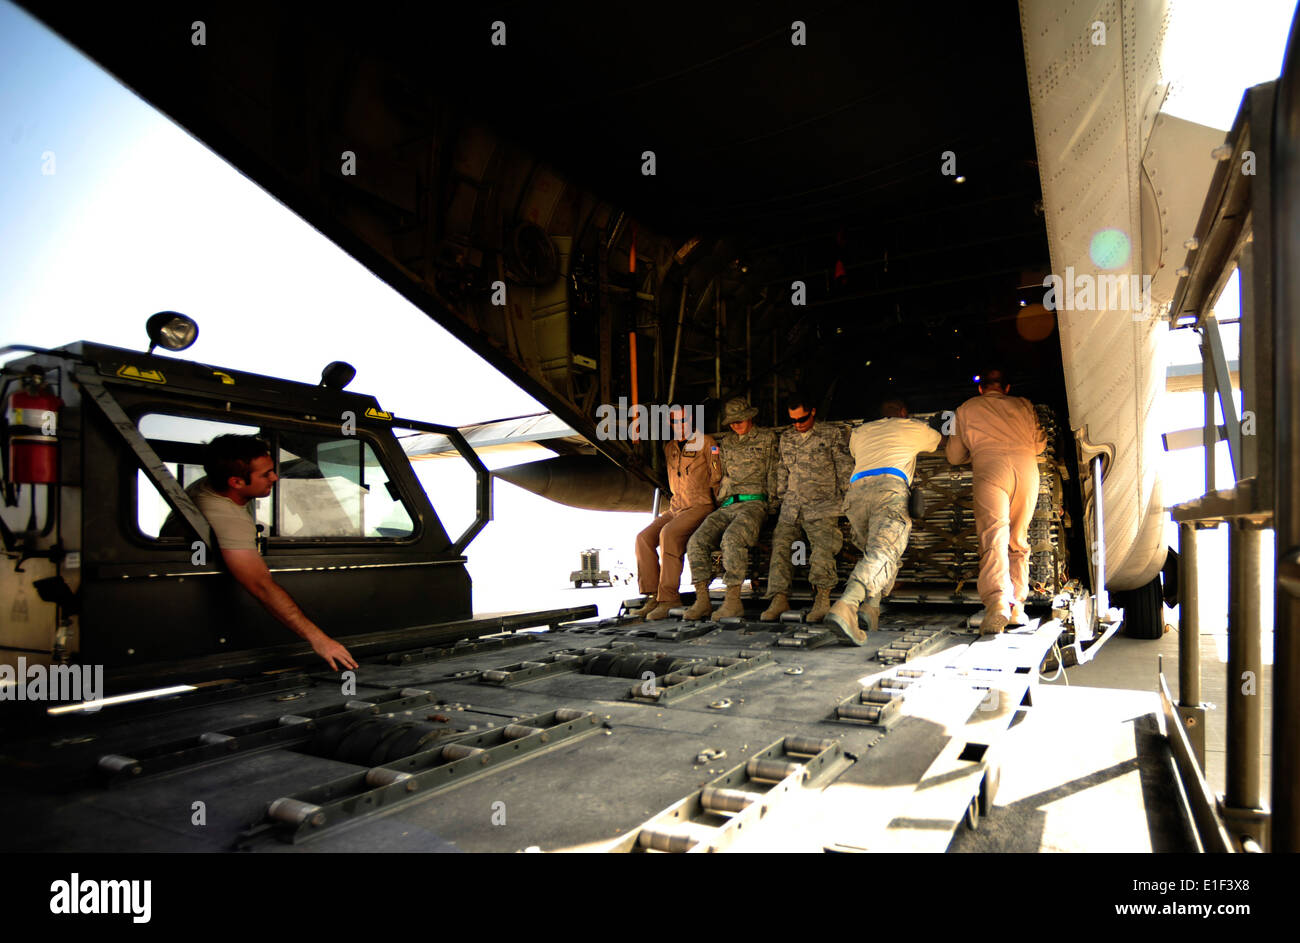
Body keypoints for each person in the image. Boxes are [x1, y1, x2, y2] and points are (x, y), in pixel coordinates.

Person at [163, 435, 358, 669]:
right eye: (266, 474)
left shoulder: (214, 484)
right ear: (236, 482)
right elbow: (260, 585)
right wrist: (320, 640)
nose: (275, 477)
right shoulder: (225, 518)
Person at [824, 398, 941, 645]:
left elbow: (858, 455)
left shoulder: (861, 432)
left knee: (875, 552)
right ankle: (847, 605)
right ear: (903, 412)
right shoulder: (911, 426)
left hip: (856, 494)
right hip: (889, 488)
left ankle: (871, 608)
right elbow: (939, 444)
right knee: (883, 553)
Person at [944, 369, 1046, 635]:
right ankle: (1017, 608)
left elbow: (954, 457)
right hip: (1026, 468)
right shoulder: (1024, 405)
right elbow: (1040, 446)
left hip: (990, 467)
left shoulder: (964, 409)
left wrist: (977, 452)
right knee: (1018, 539)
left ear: (981, 388)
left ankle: (998, 601)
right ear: (1007, 387)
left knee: (993, 536)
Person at [682, 397, 778, 620]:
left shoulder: (766, 438)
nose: (736, 425)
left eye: (740, 420)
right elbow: (720, 475)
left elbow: (774, 471)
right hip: (727, 505)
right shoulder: (726, 443)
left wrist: (773, 505)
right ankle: (703, 601)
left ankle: (733, 601)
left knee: (732, 539)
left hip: (754, 503)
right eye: (732, 422)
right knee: (696, 541)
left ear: (750, 416)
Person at [761, 393, 852, 623]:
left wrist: (848, 501)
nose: (797, 424)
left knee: (822, 550)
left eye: (801, 419)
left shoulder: (831, 434)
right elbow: (782, 469)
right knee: (781, 547)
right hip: (792, 506)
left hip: (823, 505)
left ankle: (822, 599)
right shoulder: (787, 438)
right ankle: (779, 598)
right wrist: (781, 496)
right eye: (793, 420)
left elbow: (843, 468)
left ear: (812, 412)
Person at [629, 406, 721, 621]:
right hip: (676, 507)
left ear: (691, 420)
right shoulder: (670, 447)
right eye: (675, 422)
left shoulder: (706, 442)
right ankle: (654, 595)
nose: (679, 426)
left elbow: (716, 479)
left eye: (683, 421)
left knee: (669, 535)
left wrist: (719, 509)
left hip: (700, 506)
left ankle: (669, 598)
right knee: (643, 538)